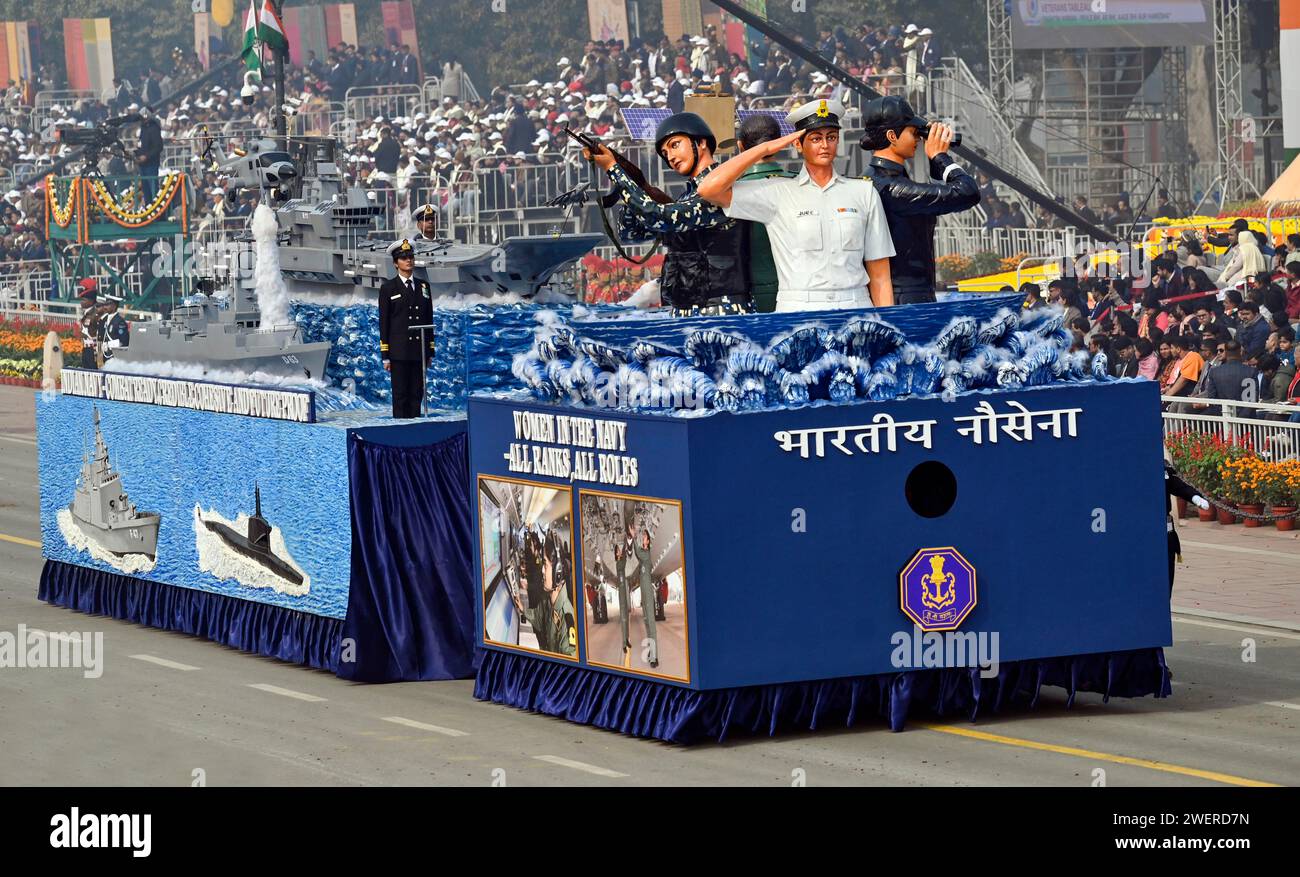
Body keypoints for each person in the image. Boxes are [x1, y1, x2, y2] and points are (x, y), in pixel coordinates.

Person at [697, 98, 896, 310]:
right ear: (798, 144)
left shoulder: (863, 192)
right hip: (799, 311)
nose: (824, 145)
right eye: (815, 138)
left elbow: (881, 276)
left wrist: (886, 326)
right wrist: (763, 149)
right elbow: (708, 189)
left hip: (856, 306)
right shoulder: (778, 192)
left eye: (831, 137)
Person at [585, 111, 752, 315]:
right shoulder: (686, 198)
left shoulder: (719, 191)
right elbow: (632, 234)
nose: (670, 157)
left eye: (675, 145)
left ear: (701, 143)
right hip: (686, 309)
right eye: (665, 153)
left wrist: (615, 171)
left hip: (721, 311)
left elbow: (658, 217)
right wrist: (633, 186)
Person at [858, 95, 979, 304]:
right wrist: (940, 157)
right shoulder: (893, 188)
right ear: (892, 136)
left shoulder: (872, 178)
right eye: (914, 133)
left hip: (896, 295)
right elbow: (967, 192)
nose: (918, 139)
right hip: (907, 298)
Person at [733, 113, 795, 313]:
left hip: (749, 292)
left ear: (740, 146)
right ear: (779, 143)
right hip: (798, 289)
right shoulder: (799, 183)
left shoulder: (732, 190)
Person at [378, 239, 436, 419]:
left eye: (410, 257)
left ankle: (416, 429)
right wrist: (385, 355)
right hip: (399, 351)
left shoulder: (423, 286)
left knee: (416, 393)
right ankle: (400, 431)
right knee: (401, 394)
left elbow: (428, 318)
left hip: (418, 350)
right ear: (396, 263)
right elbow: (384, 322)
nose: (408, 261)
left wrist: (430, 351)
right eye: (403, 258)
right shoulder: (388, 288)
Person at [1165, 463, 1210, 595]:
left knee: (1167, 577)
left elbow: (1177, 485)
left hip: (1164, 533)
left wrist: (1194, 497)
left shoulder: (1161, 468)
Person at [632, 527, 658, 668]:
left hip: (648, 593)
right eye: (642, 537)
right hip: (644, 594)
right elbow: (637, 555)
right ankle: (651, 652)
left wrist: (634, 536)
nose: (643, 538)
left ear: (648, 542)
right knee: (647, 624)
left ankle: (654, 657)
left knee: (651, 626)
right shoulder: (643, 557)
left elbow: (638, 552)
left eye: (644, 537)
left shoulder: (646, 554)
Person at [135, 110, 164, 202]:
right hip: (142, 165)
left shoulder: (154, 128)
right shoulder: (143, 129)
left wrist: (146, 156)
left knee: (153, 189)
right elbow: (141, 144)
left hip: (151, 164)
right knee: (146, 190)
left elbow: (158, 147)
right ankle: (148, 208)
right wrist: (137, 154)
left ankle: (156, 211)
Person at [76, 281, 101, 369]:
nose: (81, 302)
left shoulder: (95, 313)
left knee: (93, 371)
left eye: (84, 300)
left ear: (91, 301)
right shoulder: (87, 313)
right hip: (86, 347)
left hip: (93, 349)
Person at [97, 294, 130, 361]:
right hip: (106, 355)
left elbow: (124, 341)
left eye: (107, 305)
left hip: (115, 357)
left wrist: (109, 345)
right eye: (104, 305)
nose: (105, 307)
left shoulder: (119, 321)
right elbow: (101, 336)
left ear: (114, 306)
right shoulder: (104, 319)